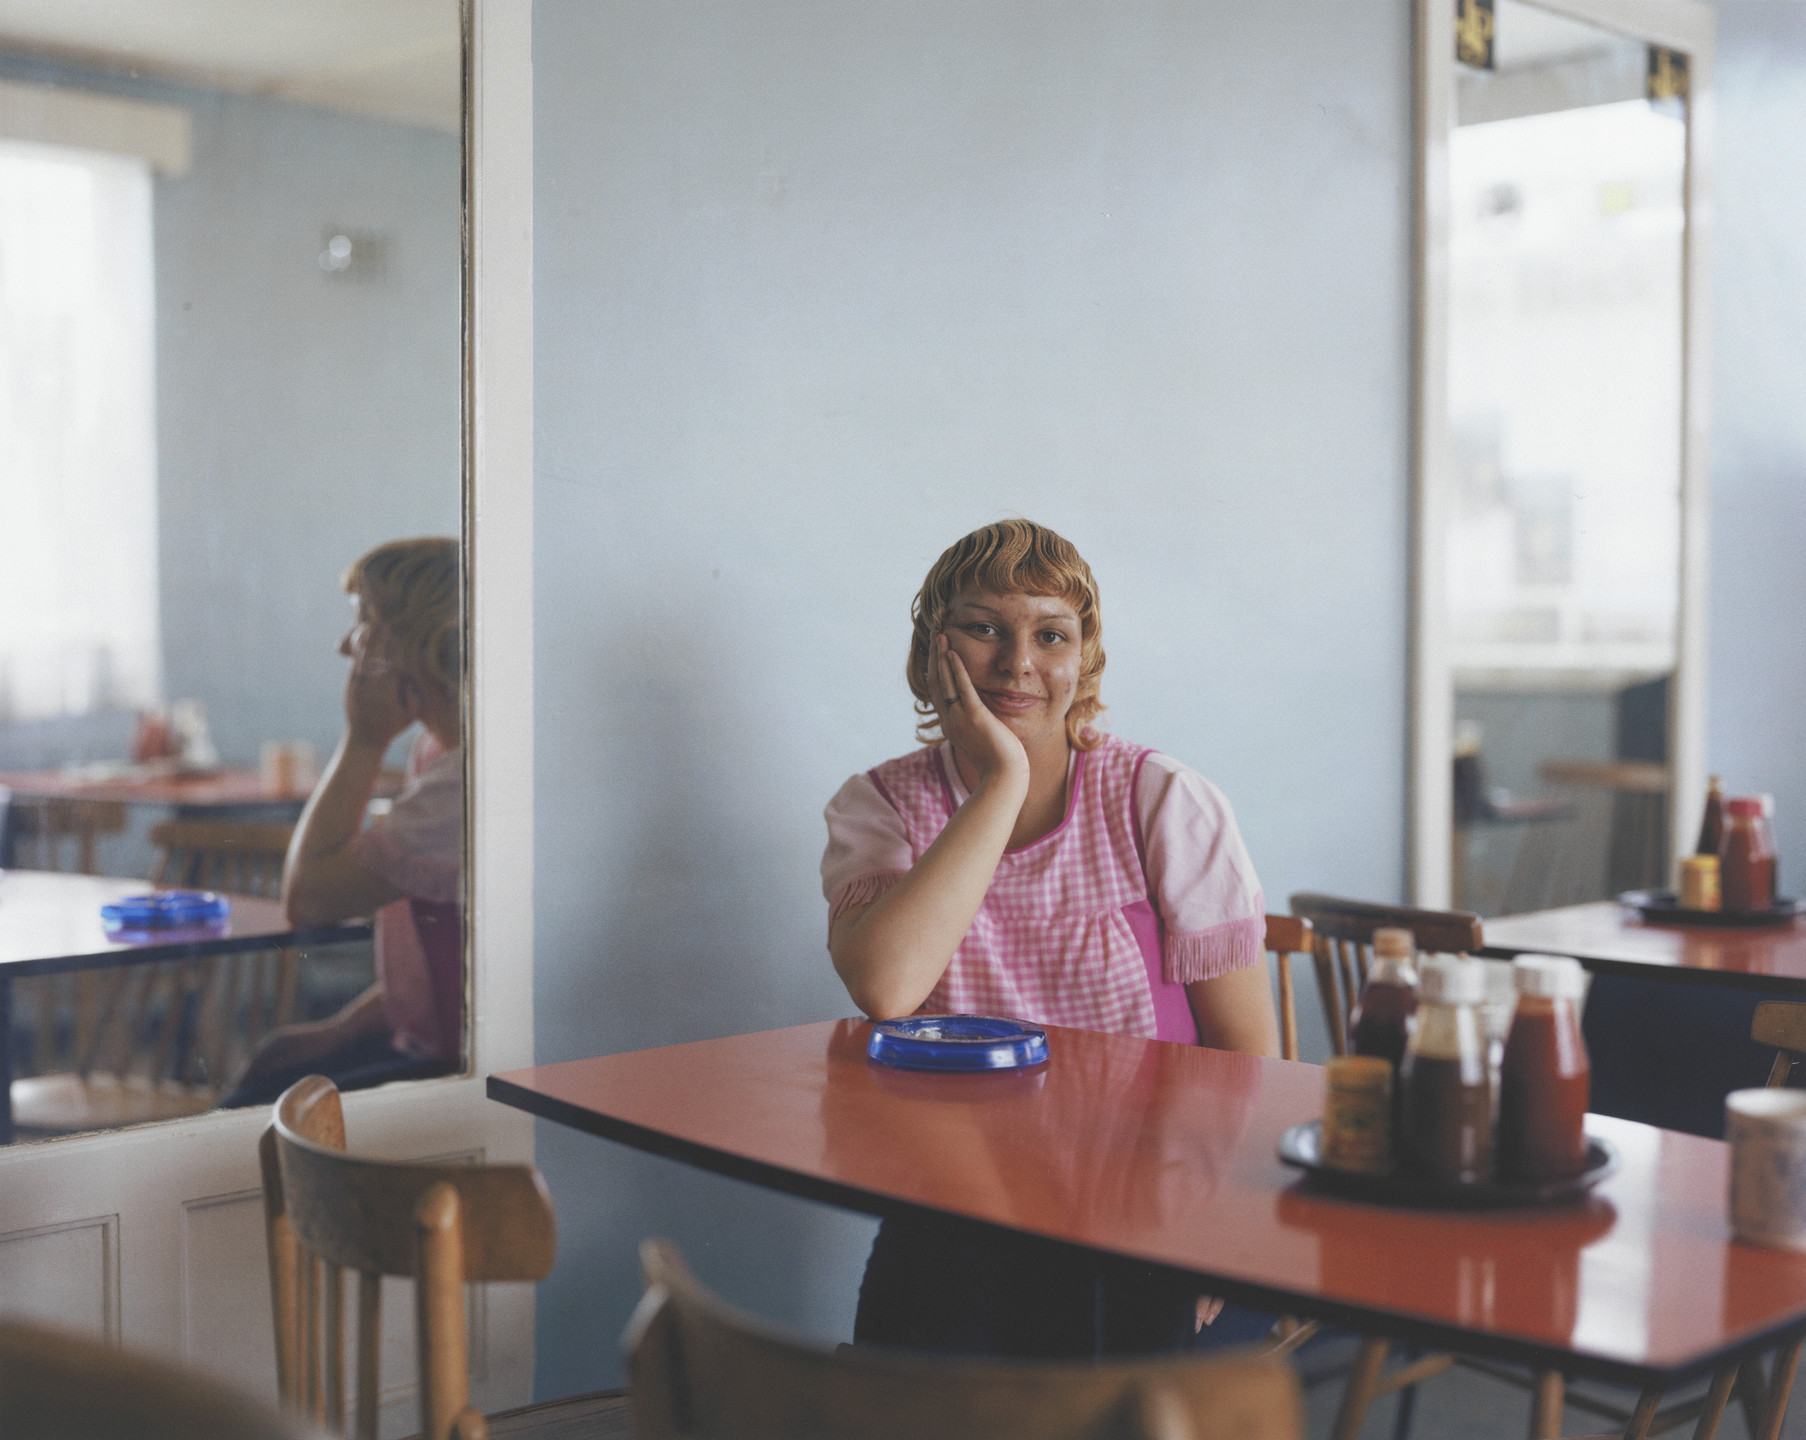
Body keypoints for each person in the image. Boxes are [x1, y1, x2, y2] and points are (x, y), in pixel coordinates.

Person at [822, 518, 1278, 1358]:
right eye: (984, 627)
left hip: (1146, 1206)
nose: (1018, 662)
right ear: (935, 649)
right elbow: (885, 988)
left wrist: (1221, 1231)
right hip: (953, 1206)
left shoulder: (1162, 799)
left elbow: (1246, 1056)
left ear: (1085, 661)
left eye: (1050, 634)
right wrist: (1002, 783)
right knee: (903, 1402)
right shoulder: (879, 806)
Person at [221, 538, 462, 1107]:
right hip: (423, 1045)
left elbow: (309, 898)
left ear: (418, 642)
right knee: (260, 1086)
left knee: (252, 1118)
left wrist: (364, 739)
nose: (344, 646)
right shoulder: (435, 754)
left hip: (460, 1073)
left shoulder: (463, 784)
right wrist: (341, 1031)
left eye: (365, 624)